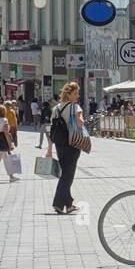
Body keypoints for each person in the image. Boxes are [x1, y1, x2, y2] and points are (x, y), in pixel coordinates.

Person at [49, 82, 87, 214]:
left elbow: (52, 130)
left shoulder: (56, 108)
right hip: (73, 144)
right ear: (68, 94)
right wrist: (81, 119)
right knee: (68, 175)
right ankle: (58, 204)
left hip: (59, 144)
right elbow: (80, 123)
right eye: (75, 93)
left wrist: (49, 149)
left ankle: (69, 204)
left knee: (65, 173)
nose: (77, 96)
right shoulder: (75, 107)